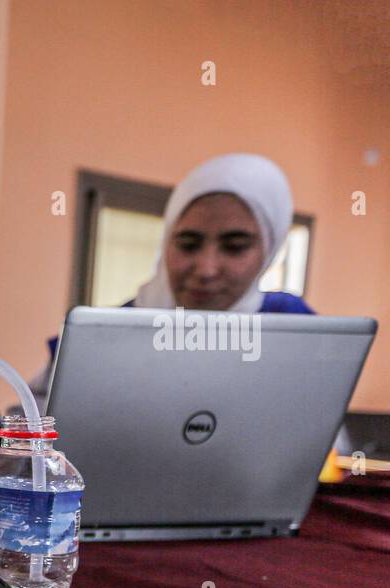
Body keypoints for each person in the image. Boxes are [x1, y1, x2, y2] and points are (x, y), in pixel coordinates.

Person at [29, 153, 314, 407]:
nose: (206, 269)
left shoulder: (294, 329)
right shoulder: (102, 336)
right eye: (188, 244)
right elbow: (30, 431)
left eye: (235, 247)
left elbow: (322, 438)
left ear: (270, 250)